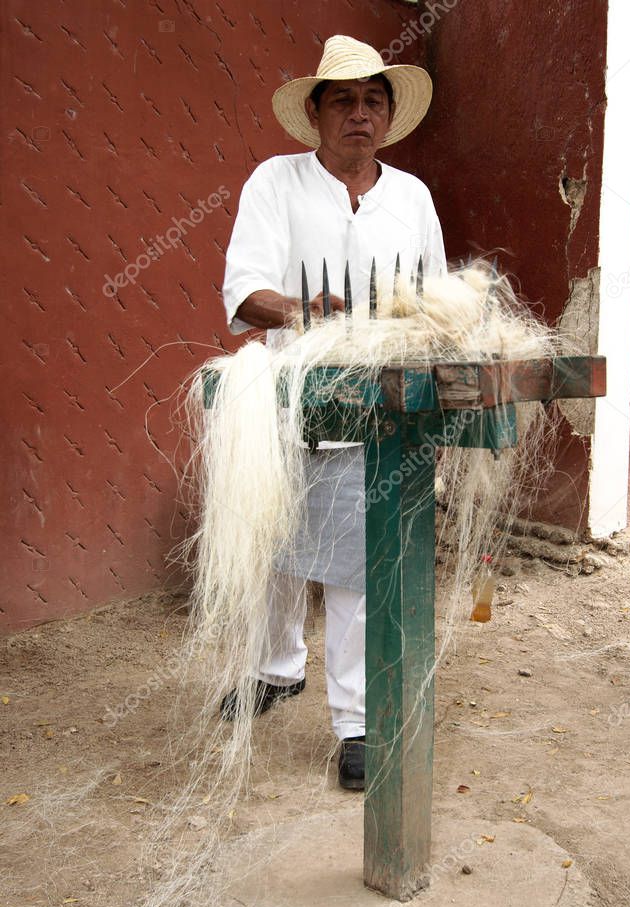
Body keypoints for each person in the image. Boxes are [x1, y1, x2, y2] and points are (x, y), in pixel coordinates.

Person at [221, 35, 446, 789]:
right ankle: (276, 667)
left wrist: (423, 329)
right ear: (314, 113)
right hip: (287, 391)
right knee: (274, 534)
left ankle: (355, 722)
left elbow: (437, 300)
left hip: (380, 403)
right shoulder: (275, 182)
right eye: (343, 100)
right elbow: (243, 291)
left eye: (372, 100)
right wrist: (299, 309)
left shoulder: (410, 198)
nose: (359, 113)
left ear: (388, 114)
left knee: (355, 556)